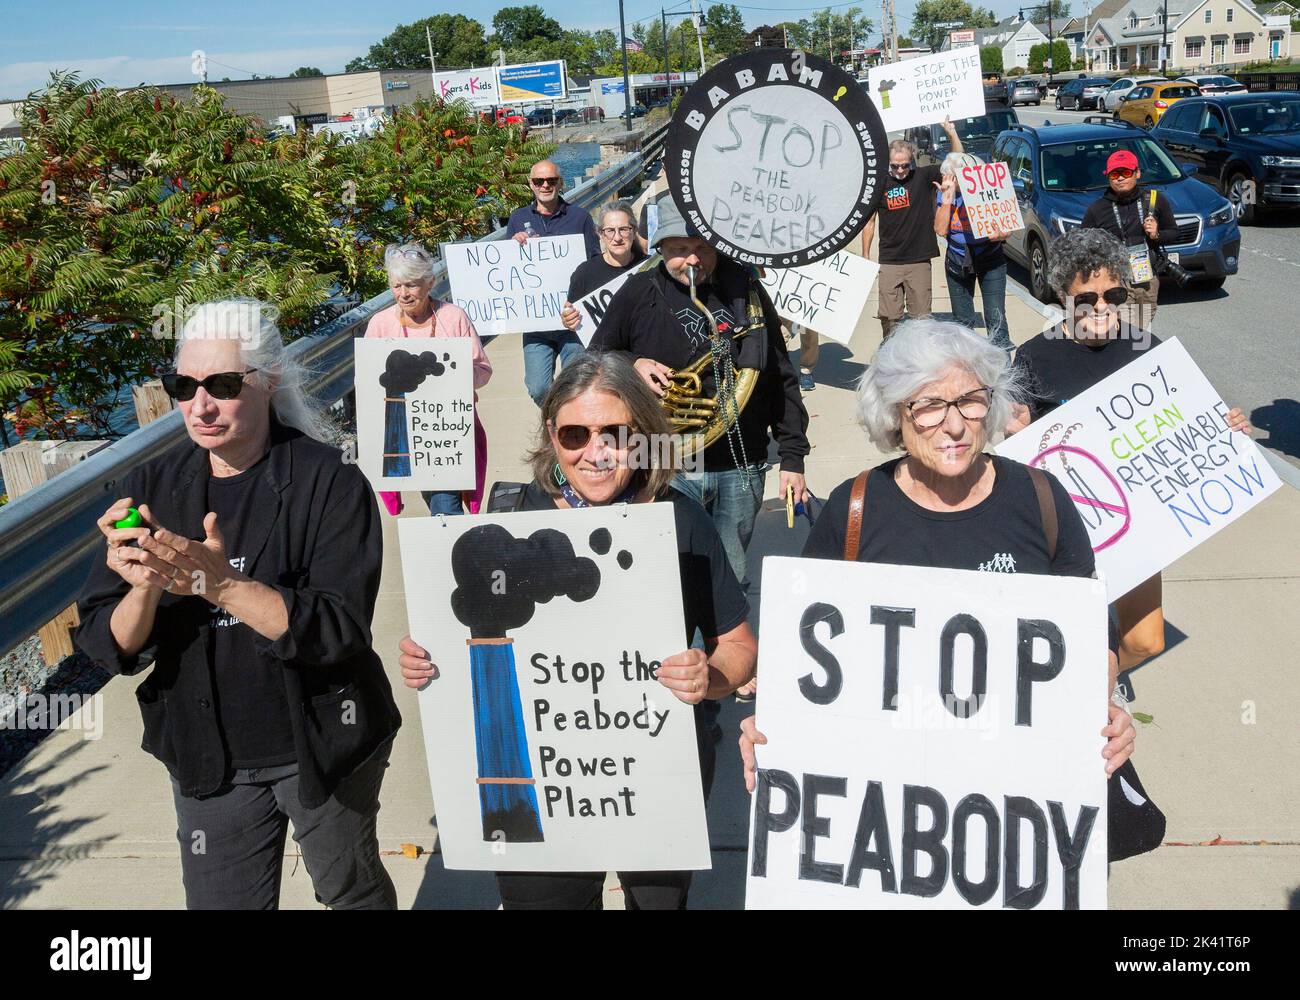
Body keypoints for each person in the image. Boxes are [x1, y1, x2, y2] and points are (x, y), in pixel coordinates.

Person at [397, 352, 757, 909]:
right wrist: (429, 661)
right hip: (542, 786)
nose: (595, 452)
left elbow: (738, 647)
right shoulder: (510, 521)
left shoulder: (682, 521)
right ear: (550, 435)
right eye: (574, 433)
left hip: (655, 771)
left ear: (640, 436)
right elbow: (452, 648)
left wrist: (708, 677)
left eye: (614, 432)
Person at [75, 299, 402, 910]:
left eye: (223, 385)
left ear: (268, 380)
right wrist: (146, 583)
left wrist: (220, 584)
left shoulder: (330, 480)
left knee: (348, 887)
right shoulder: (148, 489)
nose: (200, 406)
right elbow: (105, 642)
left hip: (323, 737)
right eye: (184, 386)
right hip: (208, 753)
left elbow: (339, 627)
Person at [739, 318, 1136, 789]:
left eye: (970, 400)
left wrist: (1101, 707)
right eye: (929, 405)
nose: (954, 425)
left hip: (1015, 780)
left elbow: (1093, 628)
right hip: (888, 787)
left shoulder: (1042, 498)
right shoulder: (853, 509)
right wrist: (774, 726)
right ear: (893, 417)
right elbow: (800, 644)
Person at [1007, 228, 1251, 671]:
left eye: (1113, 294)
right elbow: (1015, 445)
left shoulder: (1148, 351)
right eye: (1086, 298)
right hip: (1064, 523)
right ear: (1063, 295)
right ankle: (1078, 693)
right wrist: (1012, 431)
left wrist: (1227, 428)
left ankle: (1101, 678)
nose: (1101, 307)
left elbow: (1188, 421)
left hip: (1137, 523)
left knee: (1145, 641)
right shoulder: (1033, 356)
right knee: (1057, 635)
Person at [588, 193, 811, 597]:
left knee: (731, 575)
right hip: (662, 457)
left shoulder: (746, 292)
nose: (692, 261)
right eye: (679, 250)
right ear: (660, 249)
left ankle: (726, 657)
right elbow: (595, 361)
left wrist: (792, 457)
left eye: (701, 249)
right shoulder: (639, 290)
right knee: (669, 578)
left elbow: (780, 375)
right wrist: (633, 365)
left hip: (740, 461)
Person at [364, 241, 493, 516]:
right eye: (397, 286)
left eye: (411, 285)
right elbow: (366, 379)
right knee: (435, 499)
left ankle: (454, 552)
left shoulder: (453, 317)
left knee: (444, 503)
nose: (403, 293)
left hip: (445, 431)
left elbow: (483, 370)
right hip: (402, 432)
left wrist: (459, 376)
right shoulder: (380, 324)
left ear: (429, 282)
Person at [507, 159, 601, 406]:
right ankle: (555, 420)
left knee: (575, 387)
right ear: (531, 184)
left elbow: (594, 263)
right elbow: (509, 272)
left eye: (551, 180)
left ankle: (565, 431)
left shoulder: (580, 218)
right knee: (538, 388)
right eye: (539, 181)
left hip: (573, 320)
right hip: (536, 323)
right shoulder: (517, 219)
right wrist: (512, 246)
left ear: (560, 183)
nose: (545, 185)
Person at [859, 121, 963, 339]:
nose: (899, 170)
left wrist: (951, 132)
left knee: (921, 319)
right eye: (895, 165)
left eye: (904, 165)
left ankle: (918, 359)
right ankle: (890, 355)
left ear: (912, 161)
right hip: (890, 260)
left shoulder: (924, 176)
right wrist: (866, 256)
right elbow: (869, 222)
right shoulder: (879, 184)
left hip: (919, 259)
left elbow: (955, 162)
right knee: (889, 318)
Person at [1080, 149, 1179, 331]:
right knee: (1127, 332)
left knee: (1140, 331)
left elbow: (1173, 232)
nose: (1120, 178)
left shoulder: (1155, 200)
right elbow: (1082, 246)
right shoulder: (1097, 209)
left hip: (1147, 279)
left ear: (1137, 173)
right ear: (1108, 177)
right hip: (1117, 281)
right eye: (1114, 174)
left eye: (1125, 173)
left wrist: (1156, 234)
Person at [934, 151, 1011, 350]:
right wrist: (947, 199)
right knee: (962, 320)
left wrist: (1000, 234)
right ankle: (968, 368)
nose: (949, 180)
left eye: (953, 177)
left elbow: (1006, 231)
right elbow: (941, 229)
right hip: (958, 258)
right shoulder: (945, 193)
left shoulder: (987, 189)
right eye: (948, 177)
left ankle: (1001, 368)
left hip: (989, 257)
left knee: (996, 316)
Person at [559, 201, 647, 340]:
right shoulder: (584, 274)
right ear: (600, 233)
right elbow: (575, 318)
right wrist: (568, 319)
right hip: (605, 357)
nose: (617, 237)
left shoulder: (649, 267)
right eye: (610, 231)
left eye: (624, 229)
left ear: (634, 231)